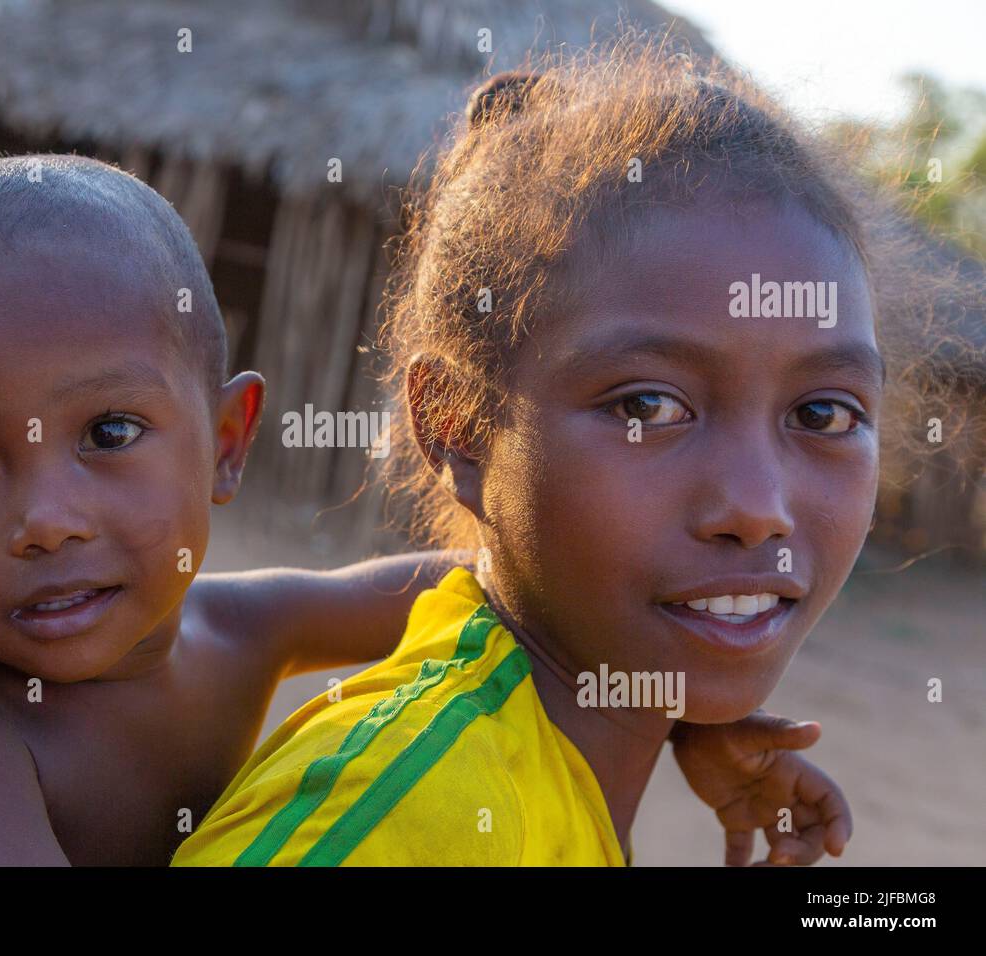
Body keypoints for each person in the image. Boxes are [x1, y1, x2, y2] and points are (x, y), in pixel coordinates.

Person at [0, 153, 849, 866]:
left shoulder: (238, 628)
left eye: (109, 434)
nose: (47, 518)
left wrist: (668, 709)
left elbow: (520, 599)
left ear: (230, 442)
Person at [171, 42, 891, 866]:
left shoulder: (549, 755)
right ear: (458, 427)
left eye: (824, 413)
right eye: (648, 407)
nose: (758, 507)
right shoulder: (417, 817)